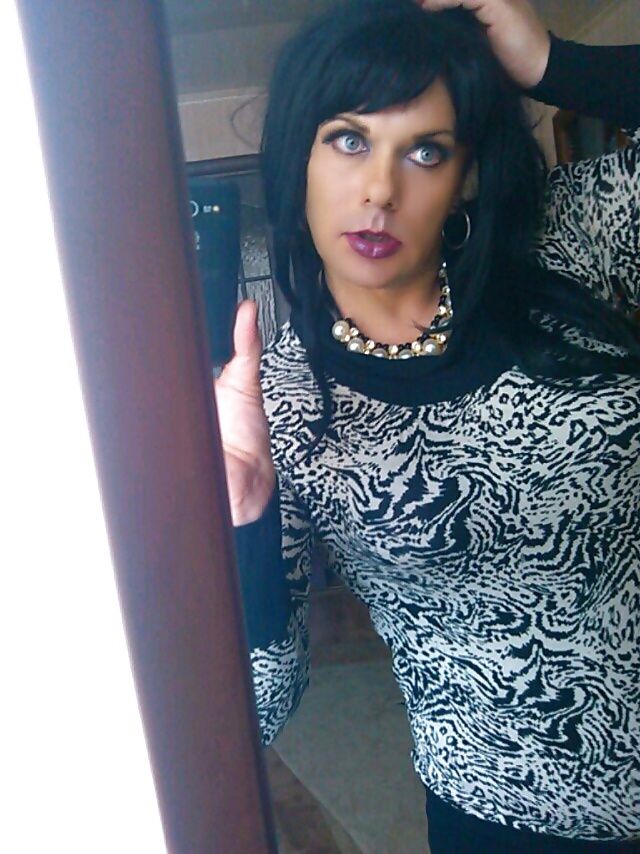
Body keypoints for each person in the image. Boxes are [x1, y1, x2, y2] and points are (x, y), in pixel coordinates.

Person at [215, 0, 640, 850]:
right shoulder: (277, 405)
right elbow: (259, 703)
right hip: (508, 818)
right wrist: (247, 526)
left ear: (464, 176)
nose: (380, 189)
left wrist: (557, 64)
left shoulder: (568, 239)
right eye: (348, 139)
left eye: (425, 151)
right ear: (298, 157)